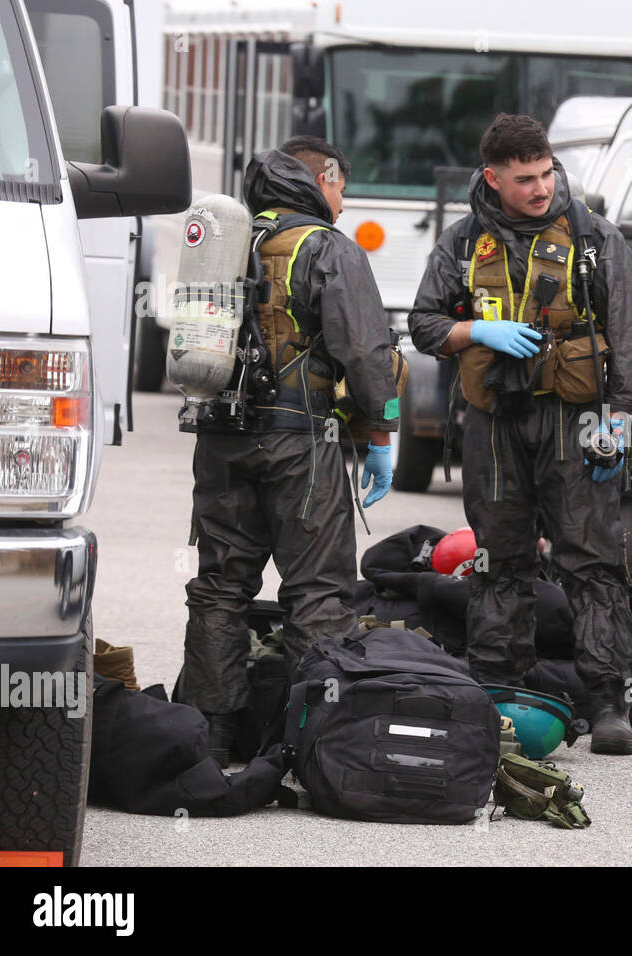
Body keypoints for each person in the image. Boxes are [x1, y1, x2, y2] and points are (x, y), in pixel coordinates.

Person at [408, 114, 632, 755]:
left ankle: (609, 702)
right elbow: (424, 325)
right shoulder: (461, 245)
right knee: (499, 558)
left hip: (576, 417)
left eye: (547, 174)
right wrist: (476, 332)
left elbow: (626, 339)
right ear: (493, 177)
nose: (541, 189)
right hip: (493, 422)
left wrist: (620, 422)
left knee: (591, 560)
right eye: (525, 179)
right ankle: (494, 691)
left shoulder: (595, 240)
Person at [182, 136, 398, 766]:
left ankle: (210, 739)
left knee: (220, 586)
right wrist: (380, 435)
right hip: (300, 443)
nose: (342, 201)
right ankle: (309, 745)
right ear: (323, 179)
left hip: (220, 438)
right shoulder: (326, 247)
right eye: (342, 187)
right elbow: (365, 353)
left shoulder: (229, 240)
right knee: (318, 593)